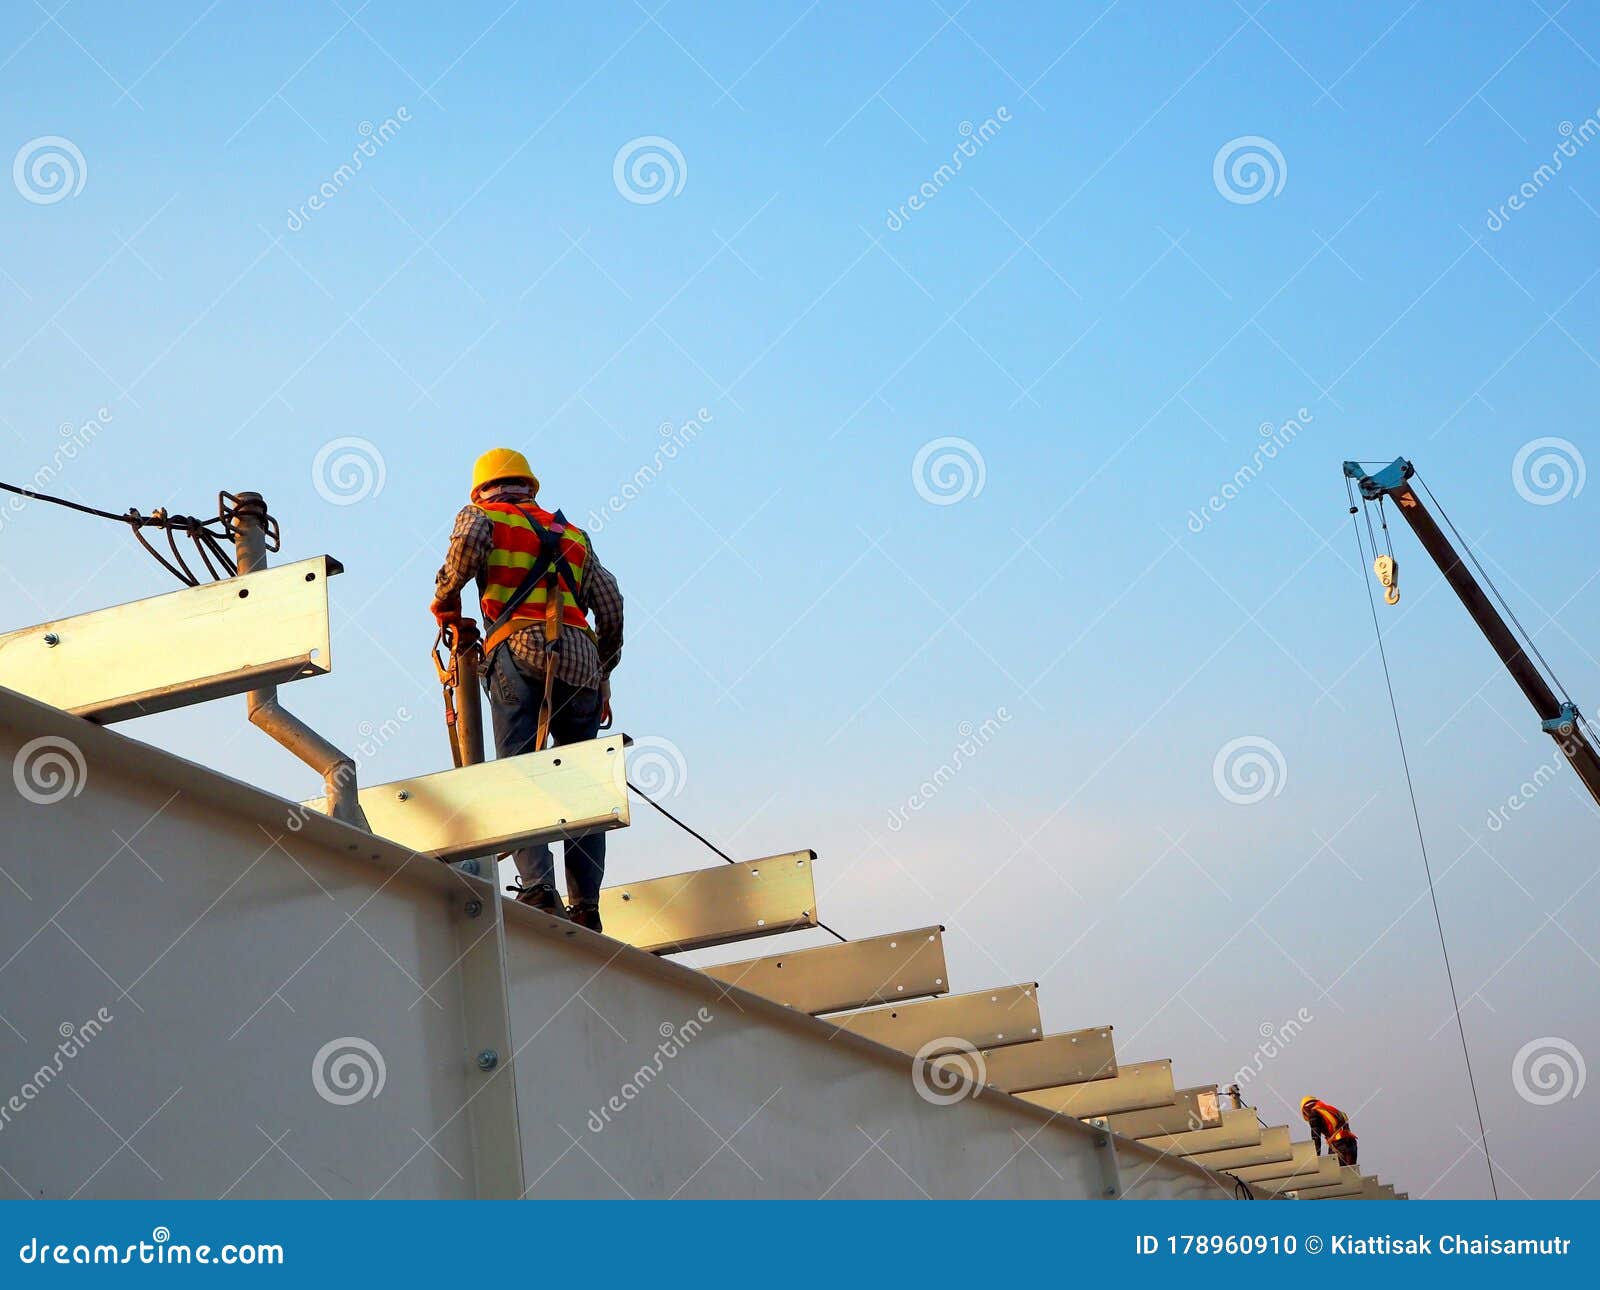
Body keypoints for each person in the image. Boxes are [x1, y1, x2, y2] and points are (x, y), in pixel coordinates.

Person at [431, 448, 623, 931]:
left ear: (482, 488)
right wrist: (603, 673)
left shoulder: (483, 515)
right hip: (579, 659)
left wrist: (445, 601)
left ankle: (538, 888)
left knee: (518, 771)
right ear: (529, 486)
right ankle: (587, 906)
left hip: (516, 649)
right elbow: (612, 604)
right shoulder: (573, 534)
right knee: (583, 784)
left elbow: (466, 547)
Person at [1301, 1096, 1358, 1167]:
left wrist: (1316, 1159)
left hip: (1339, 1144)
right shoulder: (1330, 1109)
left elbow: (1316, 1137)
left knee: (1333, 1172)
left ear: (1305, 1110)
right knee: (1349, 1173)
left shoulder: (1314, 1113)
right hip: (1352, 1144)